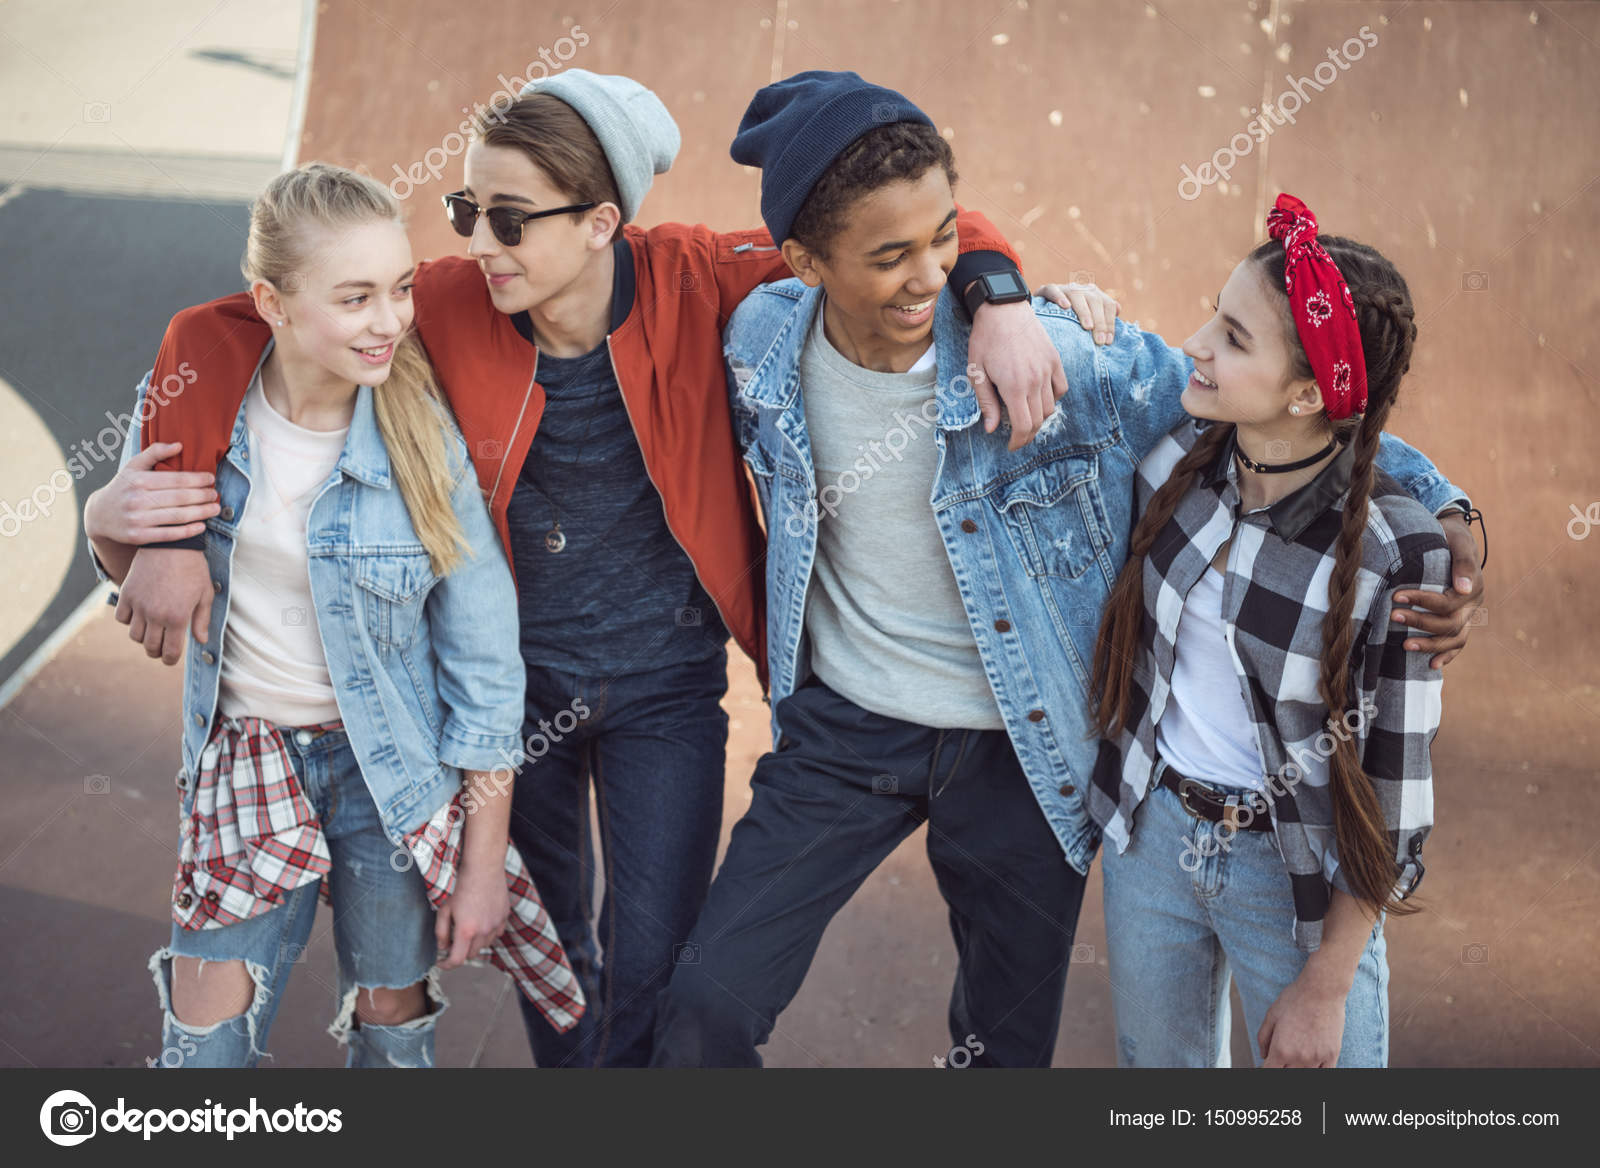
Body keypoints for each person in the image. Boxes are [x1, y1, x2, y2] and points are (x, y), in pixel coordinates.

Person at [90, 71, 1109, 1067]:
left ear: (599, 220)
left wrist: (1000, 294)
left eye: (510, 219)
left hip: (664, 687)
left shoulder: (696, 277)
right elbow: (222, 327)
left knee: (656, 960)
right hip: (514, 684)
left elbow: (896, 227)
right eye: (467, 211)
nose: (477, 242)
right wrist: (164, 535)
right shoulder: (447, 300)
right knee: (557, 963)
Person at [650, 72, 1484, 1067]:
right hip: (845, 732)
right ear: (802, 261)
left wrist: (1442, 504)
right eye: (887, 256)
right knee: (705, 1003)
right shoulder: (758, 349)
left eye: (942, 240)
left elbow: (1282, 417)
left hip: (1022, 743)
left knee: (1002, 1051)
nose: (927, 276)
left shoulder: (1052, 358)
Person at [83, 163, 581, 1067]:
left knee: (392, 1047)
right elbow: (148, 592)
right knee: (202, 1056)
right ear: (271, 302)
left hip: (389, 780)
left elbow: (485, 665)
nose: (389, 320)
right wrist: (102, 527)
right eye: (354, 298)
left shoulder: (421, 438)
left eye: (398, 290)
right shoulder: (196, 412)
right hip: (246, 762)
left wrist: (480, 869)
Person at [1087, 195, 1452, 1067]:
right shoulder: (1177, 458)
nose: (1198, 343)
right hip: (1153, 838)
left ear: (1307, 393)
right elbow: (1093, 363)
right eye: (1215, 315)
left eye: (1234, 337)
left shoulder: (1393, 554)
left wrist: (1327, 982)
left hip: (1295, 878)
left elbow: (1394, 787)